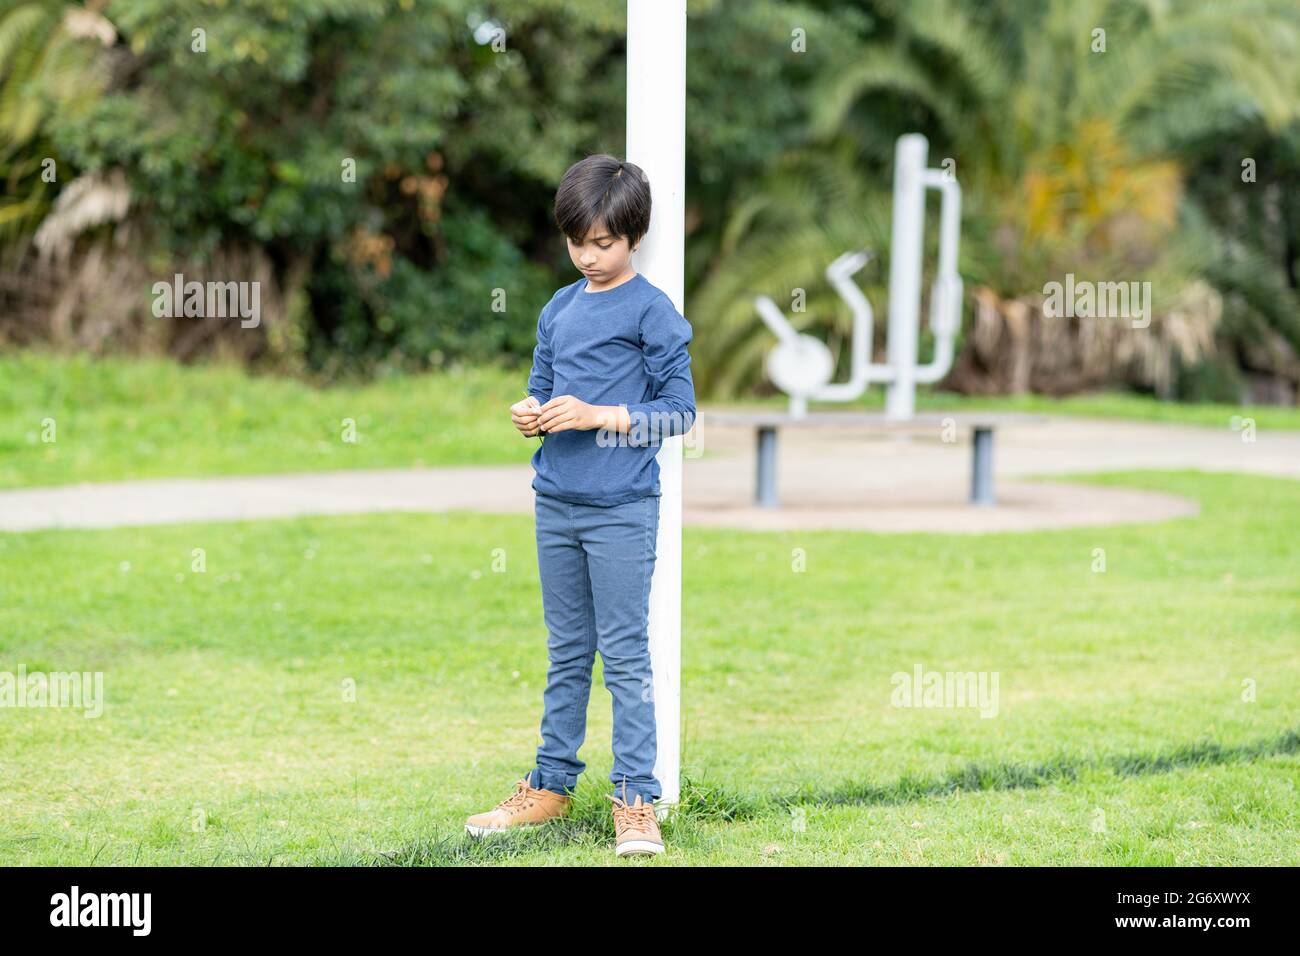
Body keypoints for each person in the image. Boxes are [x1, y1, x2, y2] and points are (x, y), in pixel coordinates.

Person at [464, 154, 696, 858]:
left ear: (633, 236)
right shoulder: (559, 308)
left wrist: (598, 414)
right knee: (567, 653)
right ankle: (550, 786)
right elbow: (539, 386)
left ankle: (635, 802)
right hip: (555, 502)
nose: (589, 257)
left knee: (624, 657)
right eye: (577, 243)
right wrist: (530, 415)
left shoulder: (653, 312)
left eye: (603, 244)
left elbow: (680, 414)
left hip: (623, 507)